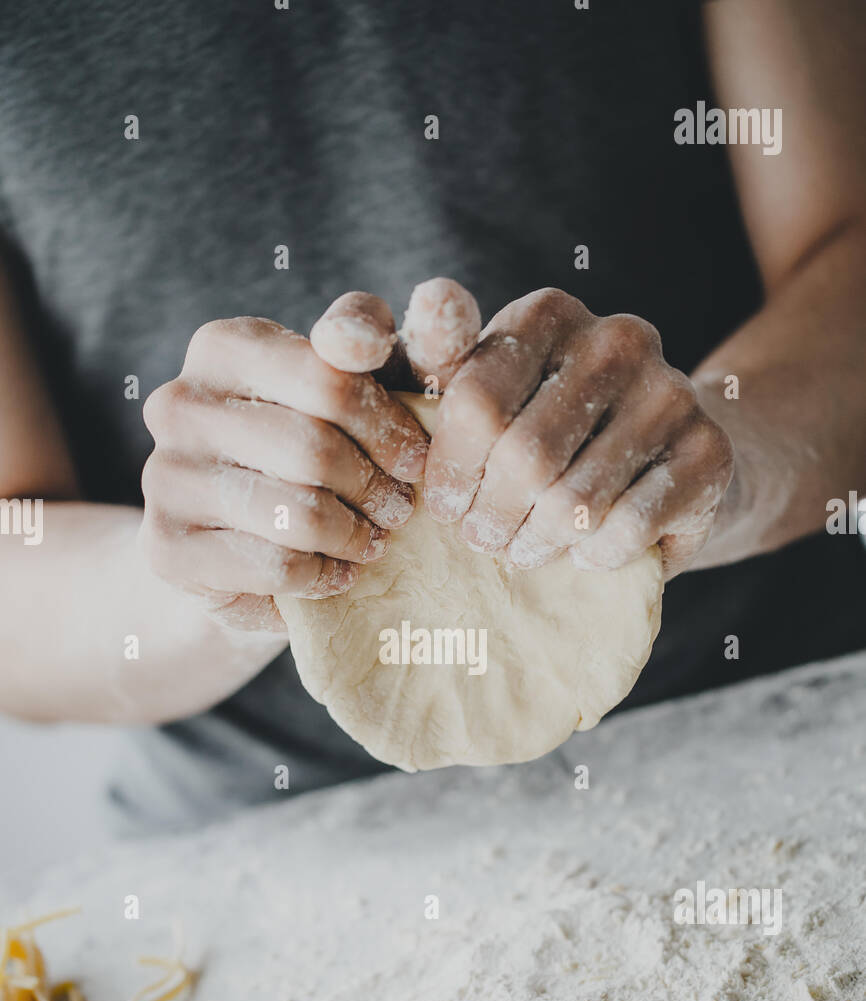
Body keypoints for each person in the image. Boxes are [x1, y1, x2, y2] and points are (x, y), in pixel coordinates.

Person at [1, 0, 865, 833]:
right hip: (262, 835)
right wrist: (202, 572)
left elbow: (848, 245)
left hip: (761, 717)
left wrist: (719, 464)